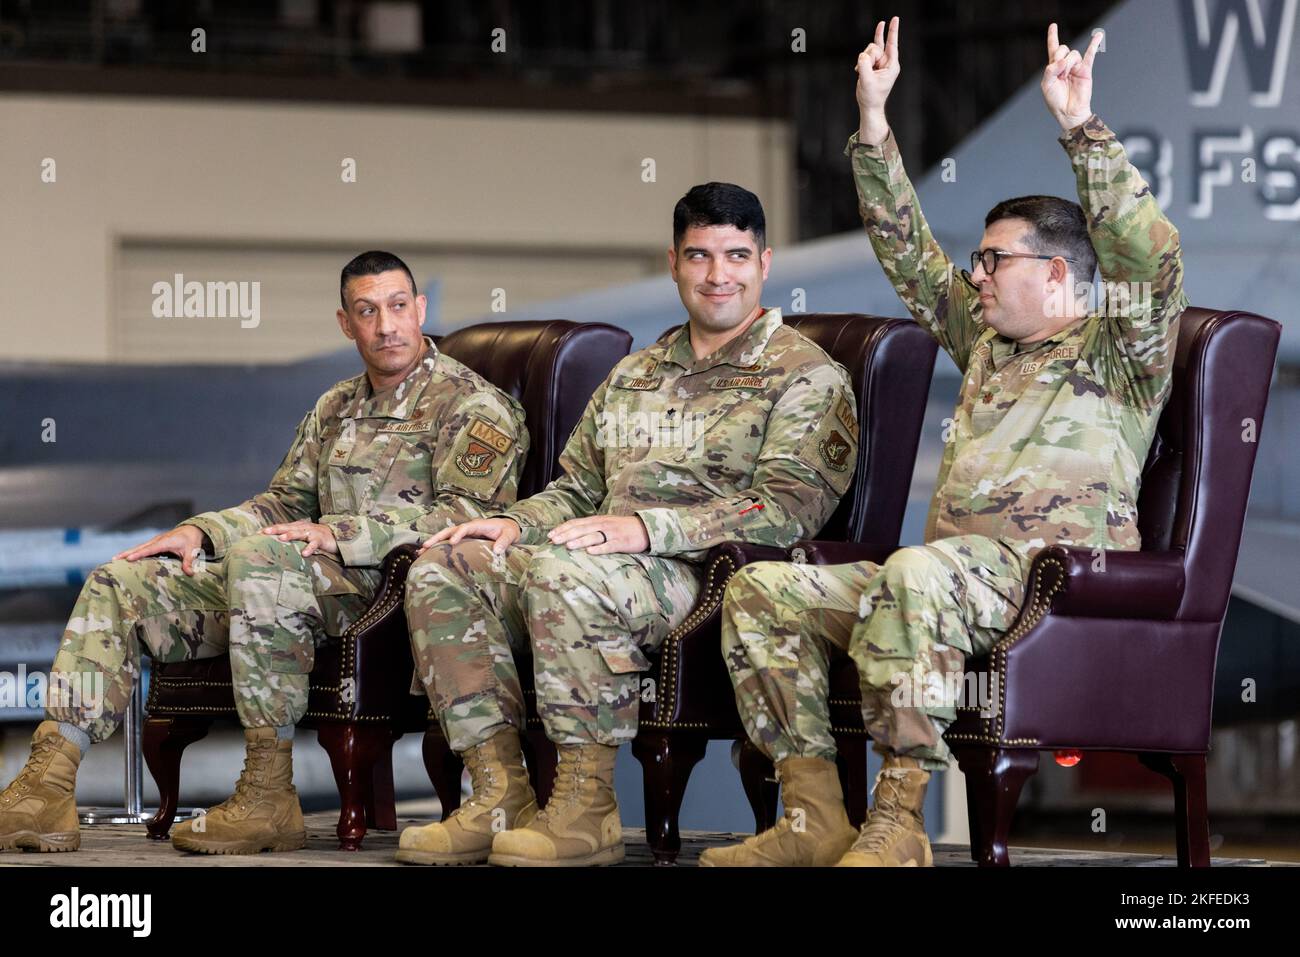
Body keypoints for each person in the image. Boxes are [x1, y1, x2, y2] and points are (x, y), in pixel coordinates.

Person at [702, 17, 1185, 867]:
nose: (976, 275)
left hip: (1056, 581)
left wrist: (1080, 128)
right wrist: (873, 122)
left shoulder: (1122, 349)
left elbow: (1147, 253)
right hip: (943, 583)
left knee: (917, 570)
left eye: (995, 261)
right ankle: (815, 814)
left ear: (1059, 273)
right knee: (761, 592)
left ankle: (899, 819)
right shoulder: (990, 340)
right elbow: (908, 257)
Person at [0, 250, 527, 855]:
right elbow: (283, 502)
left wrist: (341, 535)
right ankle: (48, 784)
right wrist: (203, 533)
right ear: (345, 323)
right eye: (367, 311)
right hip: (294, 585)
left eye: (398, 306)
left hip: (391, 595)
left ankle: (269, 792)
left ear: (420, 309)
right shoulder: (334, 408)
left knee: (261, 563)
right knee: (122, 579)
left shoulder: (472, 406)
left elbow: (467, 518)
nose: (386, 325)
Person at [396, 183, 859, 866]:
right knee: (446, 566)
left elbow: (787, 509)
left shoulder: (805, 376)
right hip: (608, 562)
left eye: (735, 255)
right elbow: (578, 488)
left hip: (708, 576)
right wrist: (511, 525)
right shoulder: (634, 374)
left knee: (565, 571)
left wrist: (645, 528)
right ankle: (499, 792)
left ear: (765, 263)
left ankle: (586, 807)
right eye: (699, 256)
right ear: (673, 263)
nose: (717, 274)